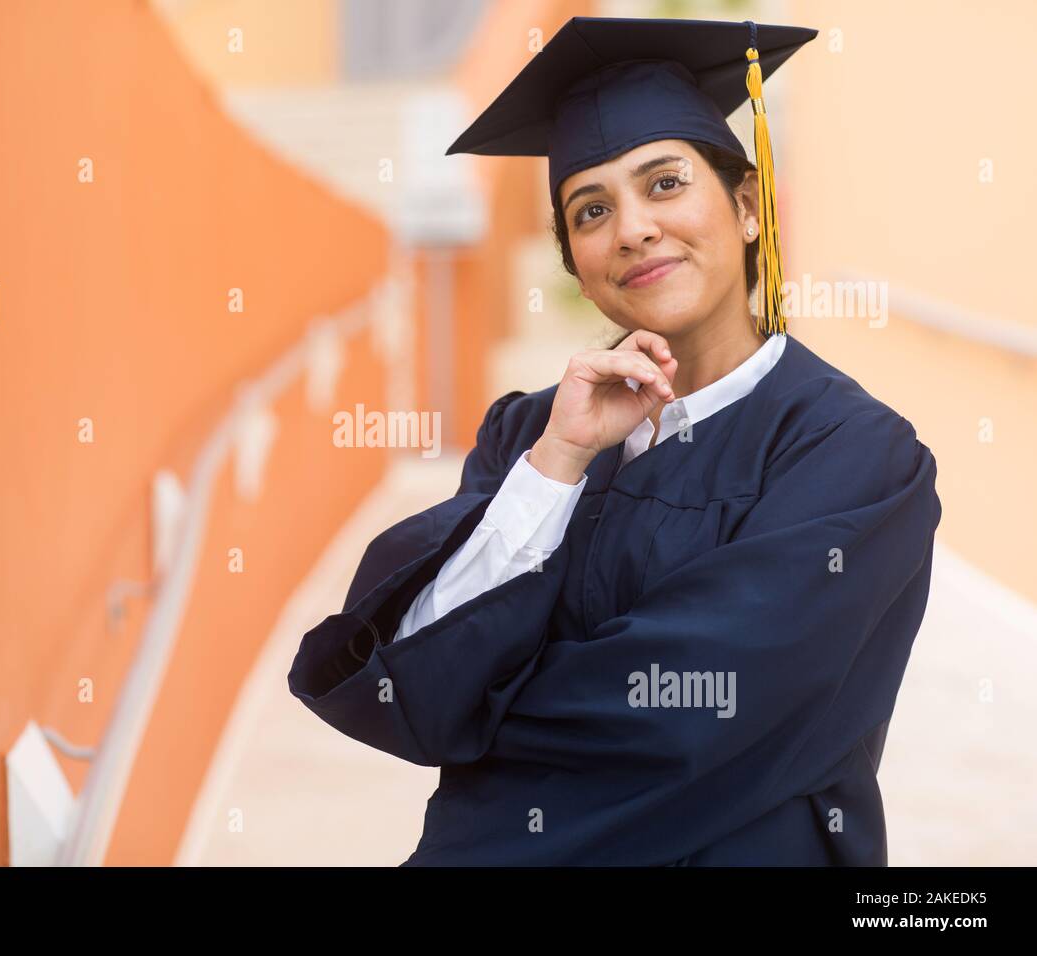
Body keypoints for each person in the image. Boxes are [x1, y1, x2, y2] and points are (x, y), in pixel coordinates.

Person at [287, 16, 942, 866]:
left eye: (664, 184)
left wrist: (487, 702)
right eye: (591, 209)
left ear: (747, 208)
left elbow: (696, 715)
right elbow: (410, 689)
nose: (631, 228)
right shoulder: (529, 431)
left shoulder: (855, 453)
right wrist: (558, 464)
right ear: (577, 261)